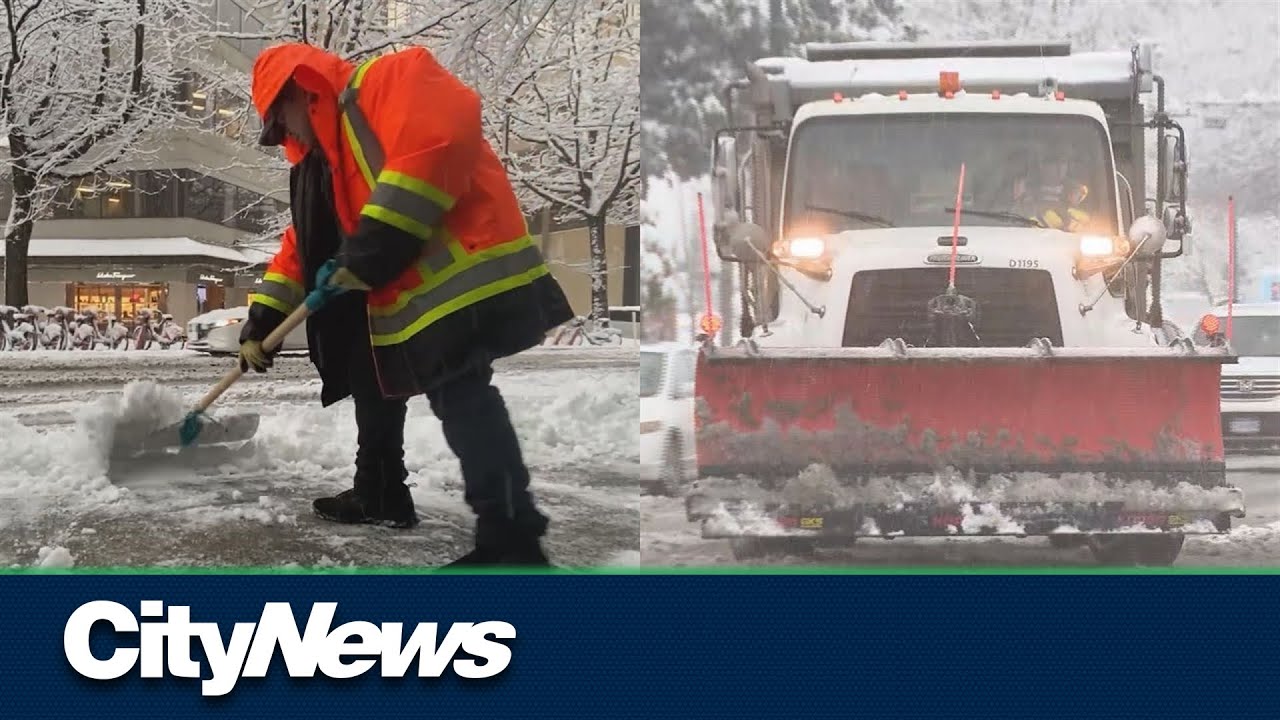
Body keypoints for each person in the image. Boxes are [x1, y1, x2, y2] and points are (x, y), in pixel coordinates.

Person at [239, 42, 574, 566]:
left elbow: (440, 137)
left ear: (301, 89)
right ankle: (382, 492)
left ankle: (512, 538)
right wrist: (262, 317)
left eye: (280, 118)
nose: (283, 135)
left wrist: (372, 244)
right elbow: (301, 246)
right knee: (379, 379)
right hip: (408, 294)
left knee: (463, 397)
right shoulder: (329, 159)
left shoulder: (385, 81)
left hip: (463, 272)